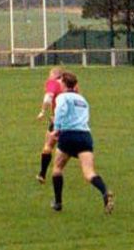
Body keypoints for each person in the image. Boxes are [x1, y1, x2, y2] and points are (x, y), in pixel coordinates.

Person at [47, 72, 115, 213]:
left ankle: (58, 203)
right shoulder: (82, 99)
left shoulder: (62, 97)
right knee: (89, 172)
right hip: (84, 135)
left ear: (64, 83)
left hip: (68, 134)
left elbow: (60, 111)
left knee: (57, 168)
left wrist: (57, 129)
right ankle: (104, 191)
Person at [34, 66, 66, 184]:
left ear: (55, 75)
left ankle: (42, 174)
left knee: (48, 146)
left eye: (50, 74)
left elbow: (48, 98)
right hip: (72, 121)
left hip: (57, 120)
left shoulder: (53, 83)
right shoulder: (72, 85)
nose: (48, 77)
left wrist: (42, 111)